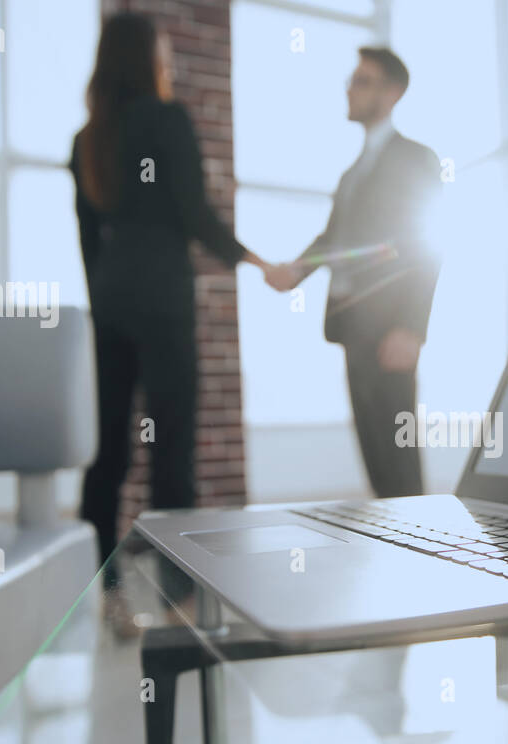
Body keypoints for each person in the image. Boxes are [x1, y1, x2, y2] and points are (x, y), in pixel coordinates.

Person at [71, 12, 269, 607]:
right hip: (161, 298)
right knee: (171, 447)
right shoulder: (167, 119)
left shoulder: (88, 138)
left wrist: (101, 302)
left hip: (109, 301)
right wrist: (256, 262)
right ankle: (176, 594)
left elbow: (88, 239)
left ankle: (104, 595)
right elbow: (195, 214)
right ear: (146, 56)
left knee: (107, 453)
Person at [264, 47, 442, 499]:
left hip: (390, 330)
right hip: (353, 326)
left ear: (393, 92)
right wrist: (296, 271)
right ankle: (398, 555)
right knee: (376, 460)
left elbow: (427, 241)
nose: (349, 88)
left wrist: (411, 327)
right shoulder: (351, 175)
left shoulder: (415, 158)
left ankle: (426, 559)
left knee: (400, 464)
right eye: (352, 79)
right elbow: (334, 239)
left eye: (362, 80)